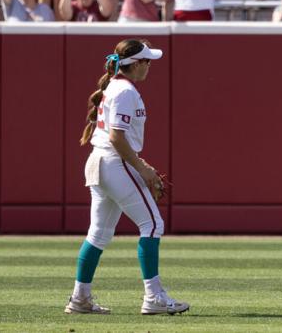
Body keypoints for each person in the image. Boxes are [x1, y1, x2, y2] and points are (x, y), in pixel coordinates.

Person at [64, 38, 189, 316]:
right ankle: (153, 296)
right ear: (135, 64)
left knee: (98, 234)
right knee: (153, 224)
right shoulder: (124, 91)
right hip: (113, 162)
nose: (149, 66)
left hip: (102, 161)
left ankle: (80, 298)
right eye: (146, 61)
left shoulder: (116, 87)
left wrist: (141, 162)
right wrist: (142, 169)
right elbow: (116, 137)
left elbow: (117, 139)